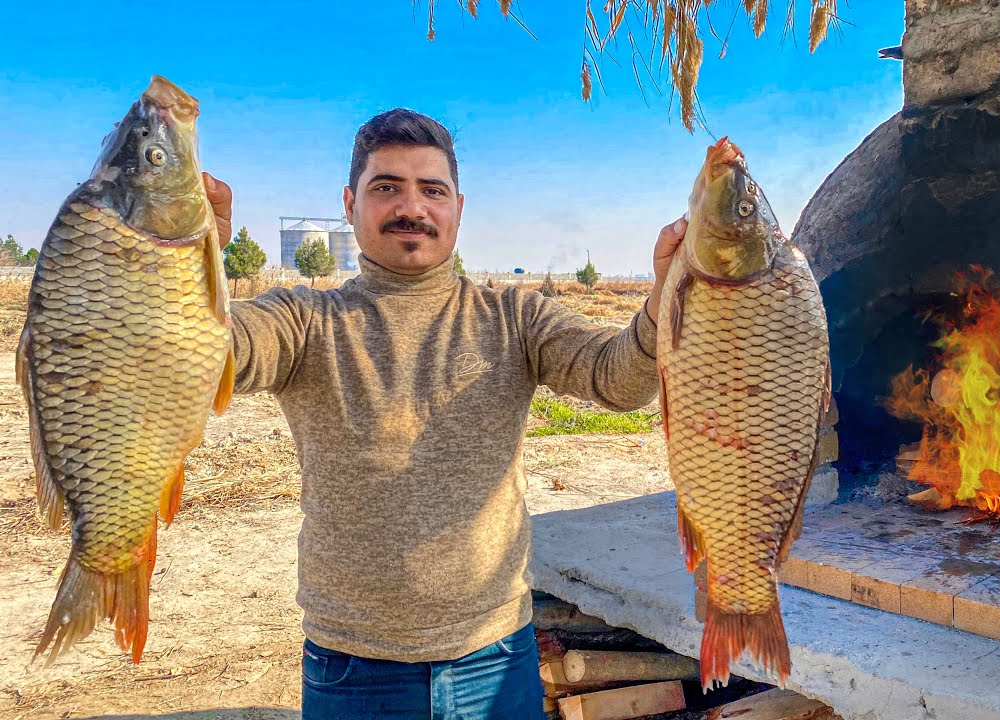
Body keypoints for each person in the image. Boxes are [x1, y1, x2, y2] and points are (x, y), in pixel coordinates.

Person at [203, 108, 686, 719]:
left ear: (458, 206)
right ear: (351, 204)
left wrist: (665, 295)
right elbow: (206, 355)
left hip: (496, 657)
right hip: (354, 666)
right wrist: (188, 261)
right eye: (387, 188)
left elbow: (618, 379)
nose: (412, 207)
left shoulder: (515, 317)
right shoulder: (305, 322)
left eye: (432, 190)